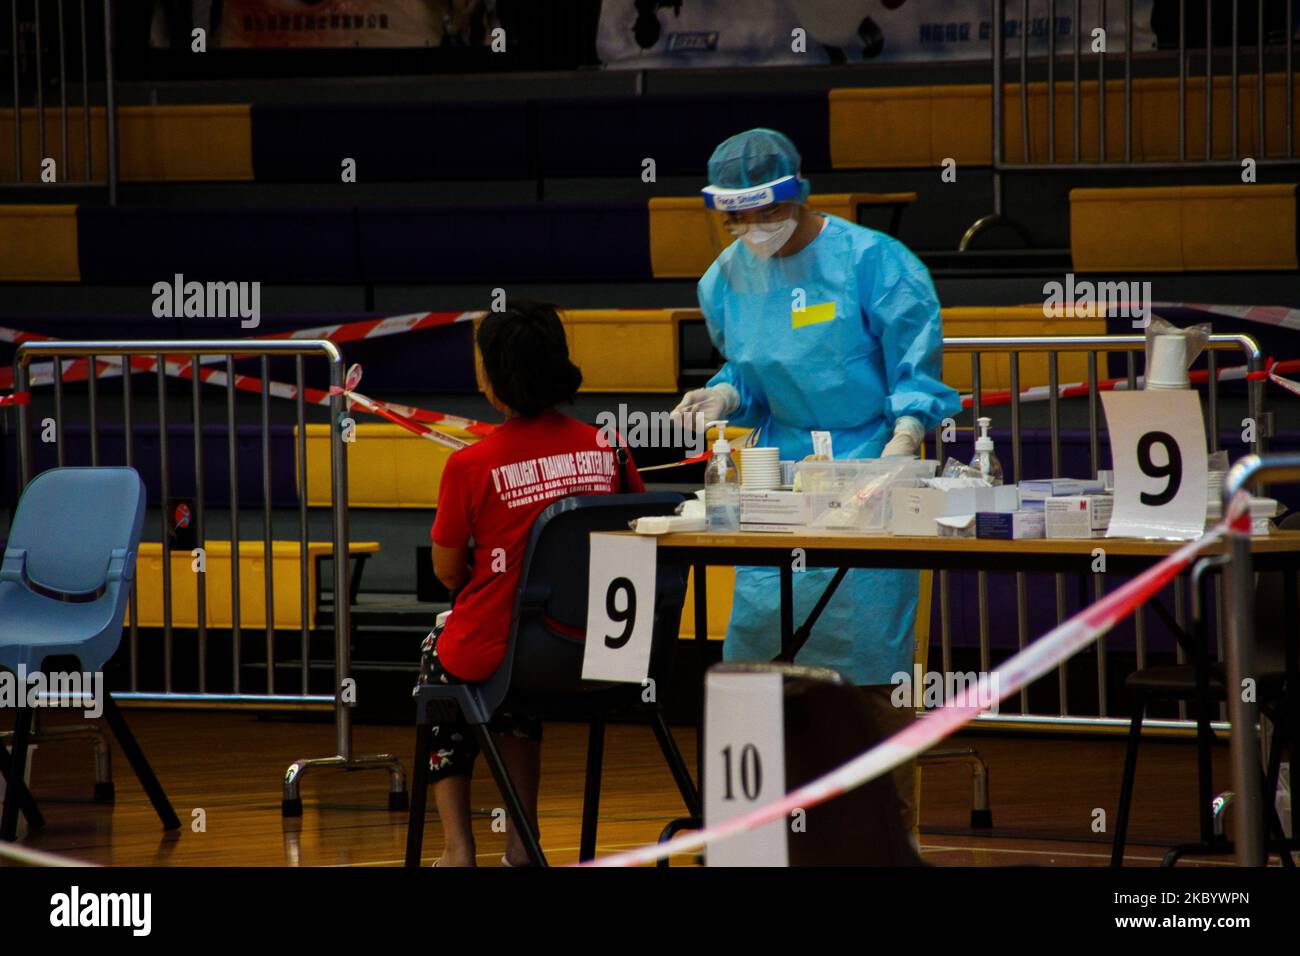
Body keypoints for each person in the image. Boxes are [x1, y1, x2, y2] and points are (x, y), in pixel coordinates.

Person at [671, 128, 961, 835]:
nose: (751, 231)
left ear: (797, 195)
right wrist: (726, 394)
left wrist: (905, 435)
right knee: (759, 654)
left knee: (869, 663)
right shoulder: (724, 279)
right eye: (735, 217)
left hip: (872, 470)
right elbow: (749, 367)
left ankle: (884, 835)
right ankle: (756, 834)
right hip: (781, 482)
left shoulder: (873, 264)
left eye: (762, 213)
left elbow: (915, 367)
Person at [424, 300, 645, 866]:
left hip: (517, 655)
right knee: (512, 673)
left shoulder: (471, 465)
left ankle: (456, 848)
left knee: (442, 661)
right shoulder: (610, 447)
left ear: (494, 380)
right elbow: (641, 535)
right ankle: (524, 840)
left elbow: (447, 571)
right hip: (606, 654)